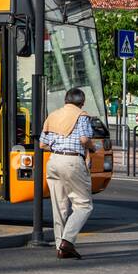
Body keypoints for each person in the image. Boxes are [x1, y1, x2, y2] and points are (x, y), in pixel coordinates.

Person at [40, 87, 99, 260]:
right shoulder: (81, 116)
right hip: (72, 162)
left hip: (53, 162)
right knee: (84, 205)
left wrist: (59, 146)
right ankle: (67, 241)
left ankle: (60, 248)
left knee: (59, 207)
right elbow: (84, 139)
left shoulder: (54, 115)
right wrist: (92, 147)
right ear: (82, 103)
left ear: (65, 101)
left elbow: (42, 145)